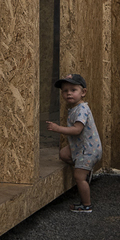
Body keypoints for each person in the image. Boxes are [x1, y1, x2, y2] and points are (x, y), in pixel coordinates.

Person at [45, 73, 101, 213]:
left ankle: (86, 205)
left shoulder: (81, 109)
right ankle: (84, 169)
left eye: (73, 90)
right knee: (64, 154)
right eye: (65, 91)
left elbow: (77, 130)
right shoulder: (76, 108)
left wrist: (57, 128)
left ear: (83, 92)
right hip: (82, 147)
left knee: (78, 177)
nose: (69, 93)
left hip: (88, 150)